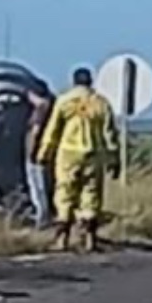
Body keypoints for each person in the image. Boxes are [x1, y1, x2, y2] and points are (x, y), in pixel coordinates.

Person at [37, 66, 120, 252]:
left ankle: (62, 240)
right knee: (91, 195)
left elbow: (53, 130)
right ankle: (89, 239)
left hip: (68, 154)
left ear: (74, 81)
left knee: (65, 193)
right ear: (90, 81)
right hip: (94, 155)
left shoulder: (64, 101)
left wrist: (44, 153)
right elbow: (110, 135)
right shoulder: (101, 103)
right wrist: (114, 159)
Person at [25, 88, 55, 229]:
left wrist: (31, 152)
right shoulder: (53, 108)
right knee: (44, 185)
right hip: (47, 151)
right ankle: (45, 215)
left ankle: (43, 218)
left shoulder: (41, 110)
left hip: (37, 153)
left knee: (38, 187)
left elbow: (36, 132)